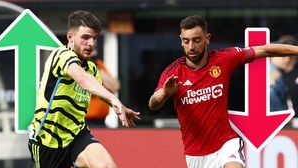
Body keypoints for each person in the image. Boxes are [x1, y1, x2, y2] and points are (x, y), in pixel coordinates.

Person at [148, 15, 298, 168]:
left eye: (196, 40)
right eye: (186, 41)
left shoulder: (223, 60)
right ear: (181, 40)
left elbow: (265, 50)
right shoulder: (173, 72)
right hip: (195, 155)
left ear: (207, 38)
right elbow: (153, 104)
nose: (191, 46)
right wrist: (164, 94)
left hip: (226, 144)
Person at [28, 10, 140, 168]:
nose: (91, 43)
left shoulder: (92, 68)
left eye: (94, 38)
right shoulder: (61, 55)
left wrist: (117, 105)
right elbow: (82, 79)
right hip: (47, 141)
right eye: (85, 37)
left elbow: (101, 88)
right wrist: (114, 100)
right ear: (70, 37)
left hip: (76, 134)